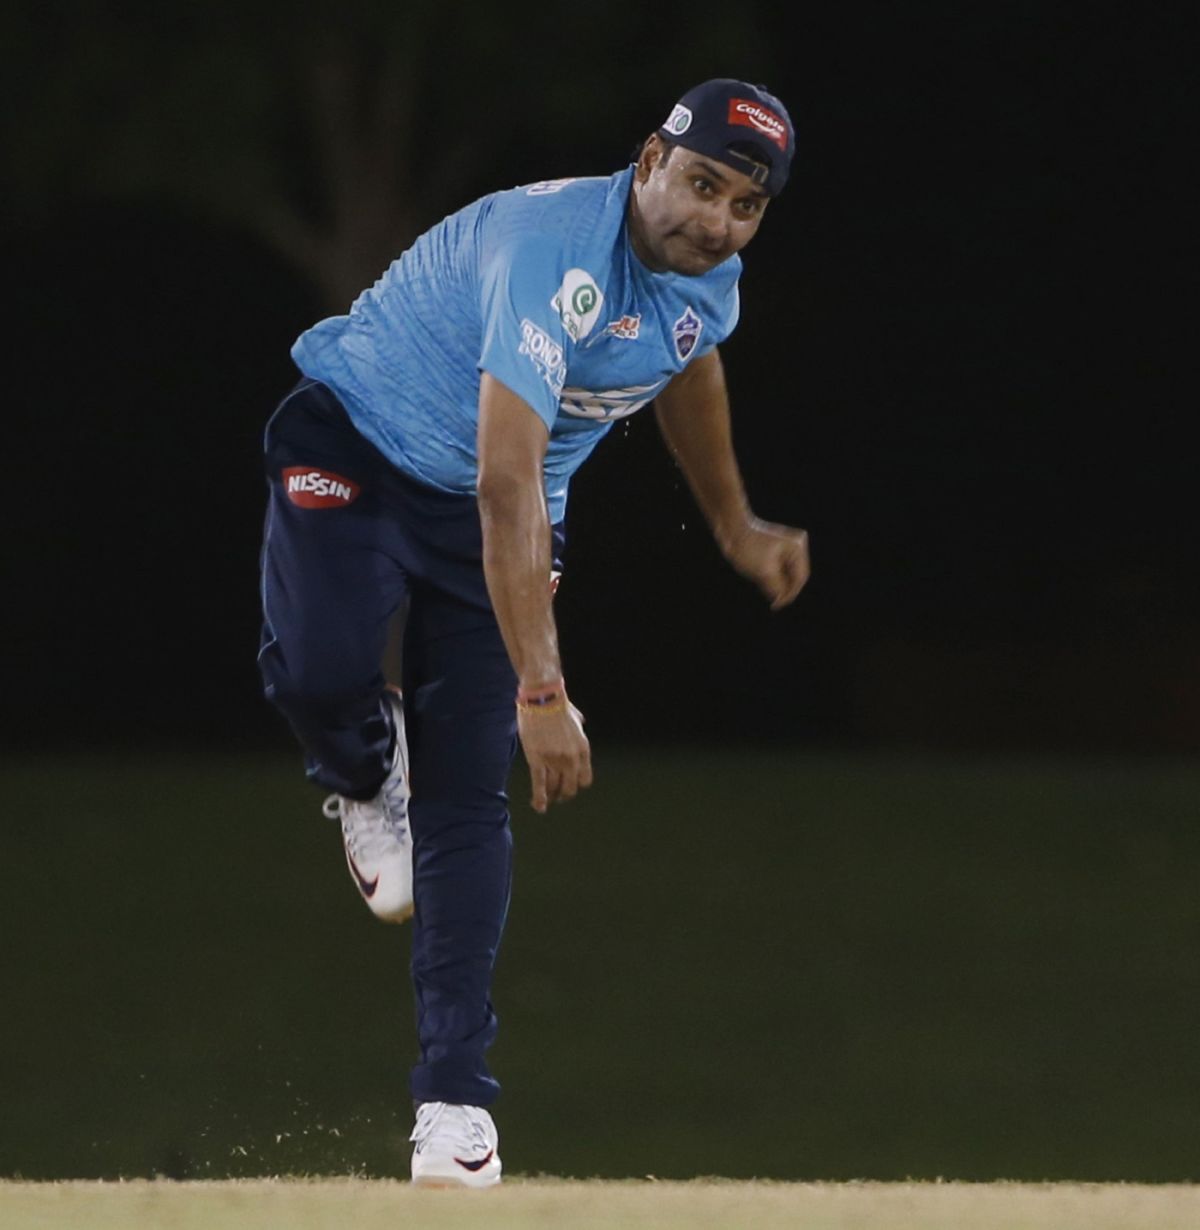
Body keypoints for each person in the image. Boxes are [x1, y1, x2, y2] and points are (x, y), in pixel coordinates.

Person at [256, 77, 811, 1187]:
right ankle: (367, 769)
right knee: (320, 671)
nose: (715, 221)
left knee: (467, 802)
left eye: (744, 207)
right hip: (360, 445)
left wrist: (736, 523)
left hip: (495, 528)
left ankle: (455, 1109)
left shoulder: (709, 283)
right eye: (702, 183)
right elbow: (505, 484)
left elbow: (686, 364)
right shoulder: (555, 255)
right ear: (650, 157)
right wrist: (544, 691)